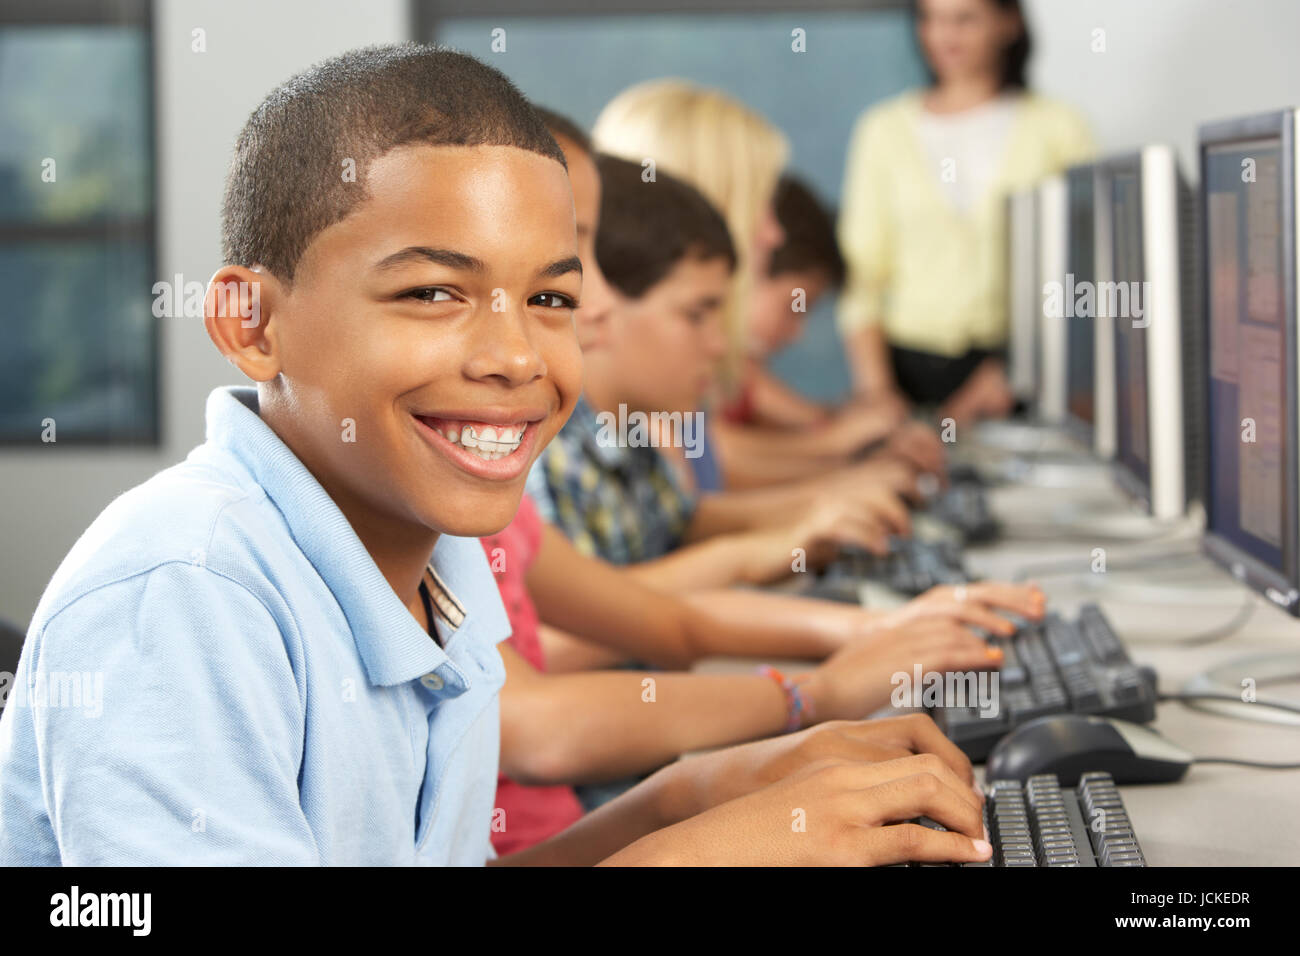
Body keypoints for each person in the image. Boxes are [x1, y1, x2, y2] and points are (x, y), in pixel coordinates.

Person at [0, 45, 994, 867]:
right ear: (252, 321)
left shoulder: (435, 551)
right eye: (434, 292)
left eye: (551, 298)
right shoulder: (188, 594)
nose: (518, 356)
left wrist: (700, 792)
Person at [592, 79, 944, 492]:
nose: (773, 235)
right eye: (759, 205)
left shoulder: (675, 363)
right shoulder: (634, 375)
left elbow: (704, 471)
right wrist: (842, 463)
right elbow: (707, 482)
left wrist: (848, 463)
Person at [837, 0, 1095, 423]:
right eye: (930, 19)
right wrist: (879, 396)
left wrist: (1015, 366)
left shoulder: (1060, 128)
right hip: (906, 376)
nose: (944, 37)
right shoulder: (882, 130)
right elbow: (862, 277)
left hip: (1022, 374)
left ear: (1008, 23)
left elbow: (1085, 271)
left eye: (964, 20)